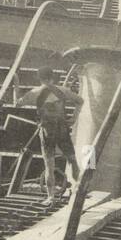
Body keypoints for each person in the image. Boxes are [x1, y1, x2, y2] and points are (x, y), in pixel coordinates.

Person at [16, 66, 84, 201]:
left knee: (49, 165)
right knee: (72, 160)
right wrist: (73, 118)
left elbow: (18, 104)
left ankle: (51, 196)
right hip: (62, 129)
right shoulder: (63, 90)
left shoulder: (34, 93)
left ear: (39, 78)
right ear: (53, 77)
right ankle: (79, 192)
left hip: (47, 131)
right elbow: (80, 101)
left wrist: (16, 85)